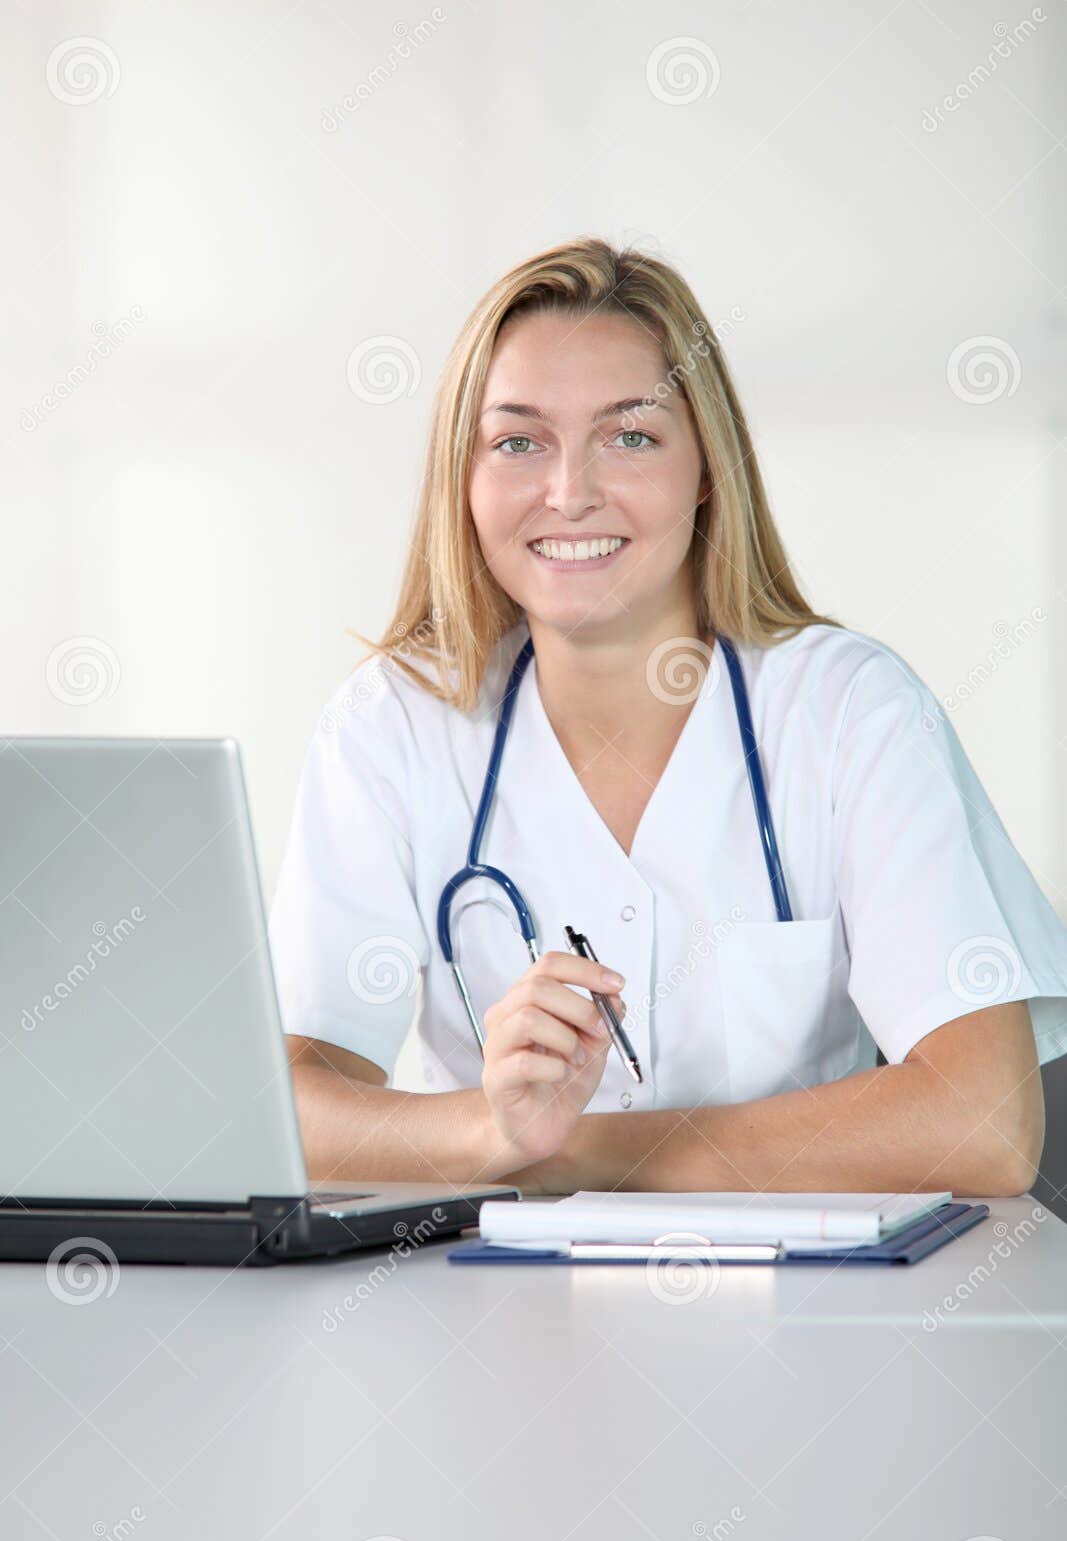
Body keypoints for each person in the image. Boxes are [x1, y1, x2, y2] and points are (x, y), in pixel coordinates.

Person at [267, 237, 1066, 1197]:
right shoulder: (393, 726)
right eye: (518, 441)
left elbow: (983, 1125)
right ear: (464, 481)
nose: (569, 493)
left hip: (810, 1322)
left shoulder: (847, 711)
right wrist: (489, 1123)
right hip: (484, 1322)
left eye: (630, 436)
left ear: (704, 469)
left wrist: (559, 1149)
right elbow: (287, 1112)